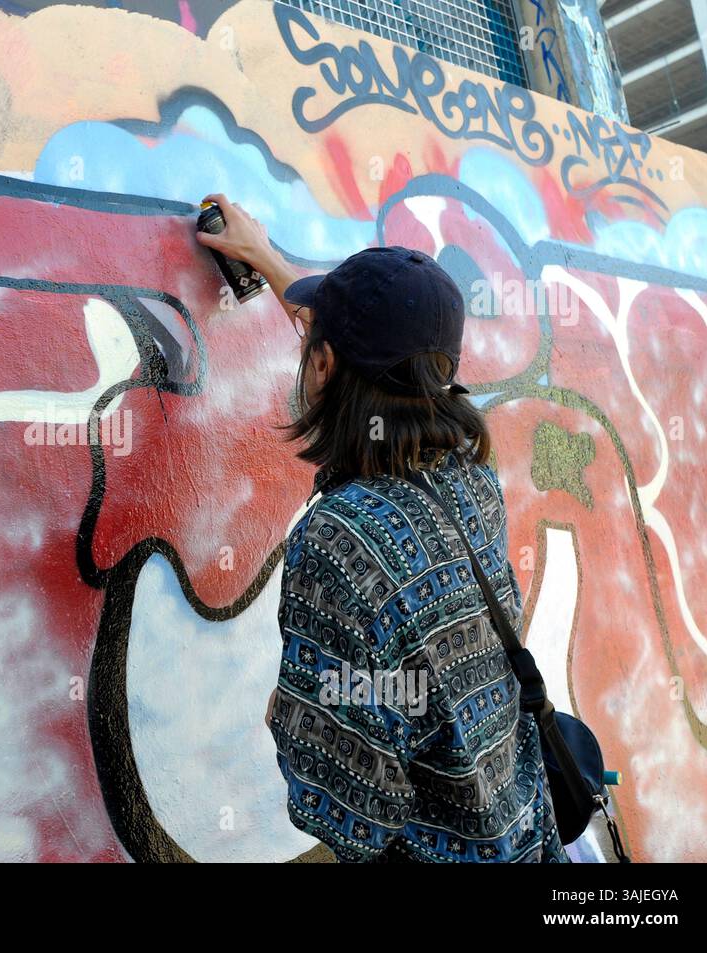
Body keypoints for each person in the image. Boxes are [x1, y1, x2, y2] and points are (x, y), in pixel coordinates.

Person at [197, 194, 568, 862]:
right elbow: (370, 359)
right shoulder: (469, 475)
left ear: (324, 364)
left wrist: (295, 713)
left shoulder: (340, 542)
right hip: (523, 836)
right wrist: (268, 260)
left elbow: (350, 809)